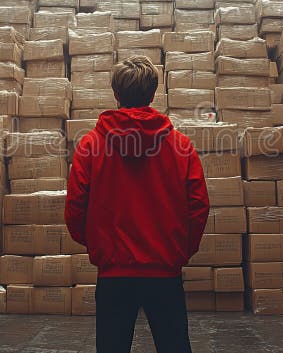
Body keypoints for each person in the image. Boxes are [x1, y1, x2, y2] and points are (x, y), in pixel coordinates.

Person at [65, 55, 210, 353]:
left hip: (113, 271)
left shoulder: (91, 145)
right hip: (165, 271)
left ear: (116, 95)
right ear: (153, 94)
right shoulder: (180, 146)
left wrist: (96, 244)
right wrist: (182, 250)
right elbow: (198, 205)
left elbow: (76, 204)